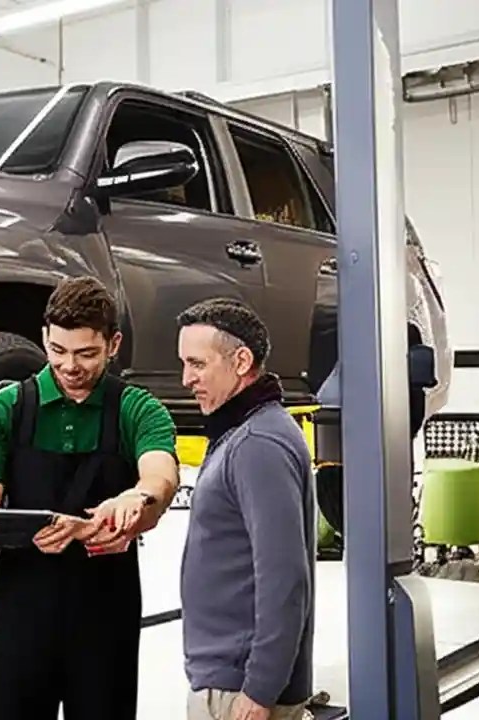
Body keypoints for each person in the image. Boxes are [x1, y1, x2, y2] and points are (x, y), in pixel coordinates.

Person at [0, 276, 180, 720]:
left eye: (86, 353)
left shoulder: (137, 409)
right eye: (58, 350)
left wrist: (135, 501)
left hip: (106, 616)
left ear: (113, 344)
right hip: (23, 613)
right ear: (44, 336)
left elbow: (161, 476)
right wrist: (16, 526)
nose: (70, 365)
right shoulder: (7, 408)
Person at [176, 298, 316, 720]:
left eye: (197, 364)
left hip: (240, 691)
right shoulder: (244, 433)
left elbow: (284, 577)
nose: (186, 379)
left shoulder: (257, 444)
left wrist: (260, 689)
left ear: (241, 361)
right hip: (232, 681)